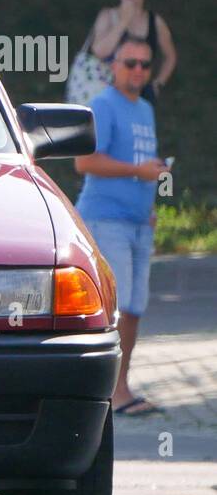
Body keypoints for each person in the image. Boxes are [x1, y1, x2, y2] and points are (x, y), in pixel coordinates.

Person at [75, 36, 169, 417]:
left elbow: (141, 162)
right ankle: (109, 393)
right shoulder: (102, 105)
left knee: (134, 307)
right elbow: (84, 162)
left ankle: (121, 388)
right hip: (105, 219)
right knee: (117, 307)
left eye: (145, 65)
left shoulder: (145, 109)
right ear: (113, 65)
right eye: (130, 63)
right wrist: (138, 171)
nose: (138, 71)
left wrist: (149, 196)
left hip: (137, 223)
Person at [89, 0, 177, 105]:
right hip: (105, 91)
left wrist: (158, 83)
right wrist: (123, 21)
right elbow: (99, 51)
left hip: (137, 94)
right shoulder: (108, 16)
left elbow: (170, 56)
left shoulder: (155, 22)